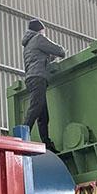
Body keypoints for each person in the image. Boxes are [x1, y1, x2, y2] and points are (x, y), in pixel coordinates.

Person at [21, 19, 67, 153]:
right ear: (40, 30)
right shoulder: (38, 38)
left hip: (31, 78)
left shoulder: (28, 44)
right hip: (38, 78)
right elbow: (58, 50)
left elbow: (38, 58)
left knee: (43, 114)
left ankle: (46, 143)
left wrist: (49, 58)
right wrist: (62, 51)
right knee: (36, 107)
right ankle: (22, 136)